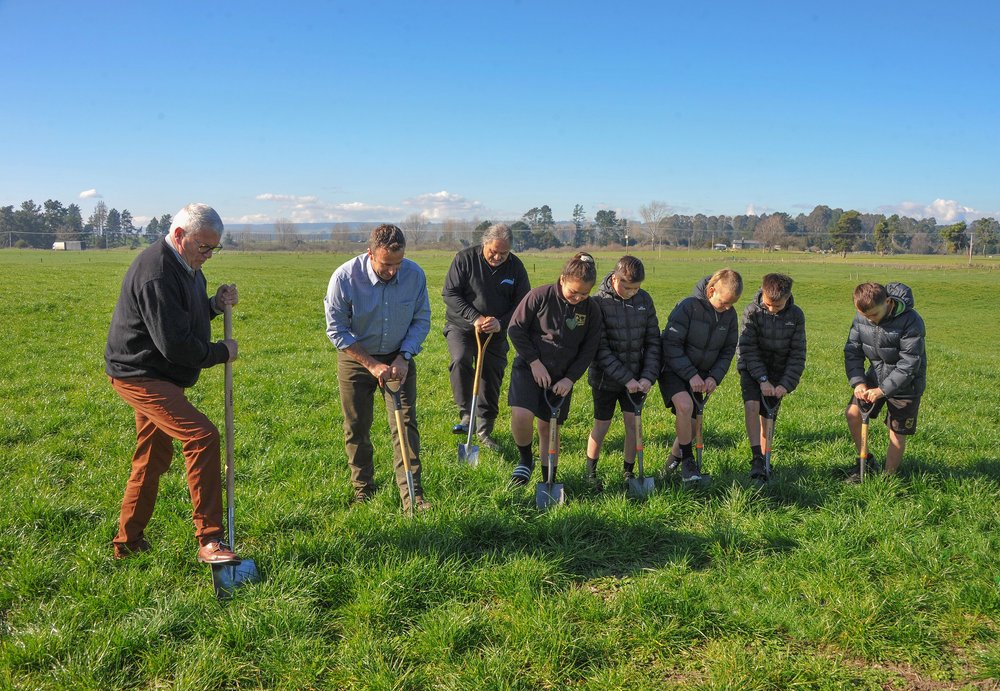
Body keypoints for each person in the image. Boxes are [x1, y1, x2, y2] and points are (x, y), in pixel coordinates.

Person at [106, 203, 240, 564]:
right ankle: (211, 540)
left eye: (215, 248)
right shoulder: (157, 271)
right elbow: (176, 345)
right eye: (204, 247)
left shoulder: (189, 267)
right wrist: (221, 352)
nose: (209, 256)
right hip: (140, 374)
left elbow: (184, 314)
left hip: (161, 373)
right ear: (179, 235)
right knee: (201, 436)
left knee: (152, 457)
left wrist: (213, 304)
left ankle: (127, 543)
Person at [325, 224, 432, 511]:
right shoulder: (345, 277)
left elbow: (421, 320)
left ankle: (413, 495)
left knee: (405, 425)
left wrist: (404, 356)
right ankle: (364, 489)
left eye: (398, 263)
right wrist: (371, 364)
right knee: (357, 425)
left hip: (399, 358)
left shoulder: (415, 275)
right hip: (356, 357)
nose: (393, 271)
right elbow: (336, 330)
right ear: (370, 253)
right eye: (386, 265)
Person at [507, 252, 603, 486]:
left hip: (561, 377)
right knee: (521, 416)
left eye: (584, 293)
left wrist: (570, 379)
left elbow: (589, 349)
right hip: (529, 368)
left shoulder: (591, 310)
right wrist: (534, 362)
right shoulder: (539, 296)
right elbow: (515, 329)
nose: (578, 298)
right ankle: (525, 460)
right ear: (562, 279)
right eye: (573, 292)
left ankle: (549, 479)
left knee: (549, 427)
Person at [441, 223, 530, 449]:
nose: (498, 257)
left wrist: (501, 323)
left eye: (504, 253)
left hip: (495, 331)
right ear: (484, 244)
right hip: (462, 326)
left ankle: (484, 430)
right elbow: (450, 293)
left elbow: (523, 304)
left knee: (492, 374)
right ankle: (466, 414)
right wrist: (475, 317)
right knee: (460, 359)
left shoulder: (516, 268)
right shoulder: (465, 259)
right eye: (493, 251)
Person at [659, 268, 743, 483]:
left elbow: (727, 350)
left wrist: (714, 377)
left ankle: (672, 461)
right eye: (723, 302)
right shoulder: (688, 307)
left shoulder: (729, 315)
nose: (727, 308)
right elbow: (671, 344)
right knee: (685, 407)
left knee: (694, 426)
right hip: (674, 369)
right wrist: (690, 375)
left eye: (731, 304)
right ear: (711, 290)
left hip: (703, 376)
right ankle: (688, 462)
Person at [585, 256, 661, 489]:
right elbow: (600, 348)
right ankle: (590, 473)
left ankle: (629, 473)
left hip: (638, 380)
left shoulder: (644, 300)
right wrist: (625, 378)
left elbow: (653, 341)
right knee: (602, 424)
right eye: (627, 287)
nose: (631, 292)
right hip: (605, 379)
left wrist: (648, 376)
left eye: (636, 288)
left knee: (633, 425)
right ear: (615, 278)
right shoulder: (598, 302)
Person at [844, 281, 926, 480]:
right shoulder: (861, 317)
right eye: (864, 316)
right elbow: (852, 351)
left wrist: (882, 390)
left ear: (888, 302)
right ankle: (866, 460)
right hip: (875, 375)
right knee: (853, 414)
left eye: (873, 315)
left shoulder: (911, 321)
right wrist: (858, 382)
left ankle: (887, 478)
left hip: (906, 384)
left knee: (896, 434)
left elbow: (909, 364)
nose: (869, 320)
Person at [736, 273, 807, 480]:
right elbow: (747, 348)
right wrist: (762, 379)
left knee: (769, 416)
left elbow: (797, 353)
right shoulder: (752, 312)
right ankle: (756, 456)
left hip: (779, 370)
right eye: (768, 304)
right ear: (762, 292)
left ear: (788, 297)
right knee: (752, 406)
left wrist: (785, 384)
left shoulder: (796, 316)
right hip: (752, 367)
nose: (771, 309)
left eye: (777, 306)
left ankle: (767, 458)